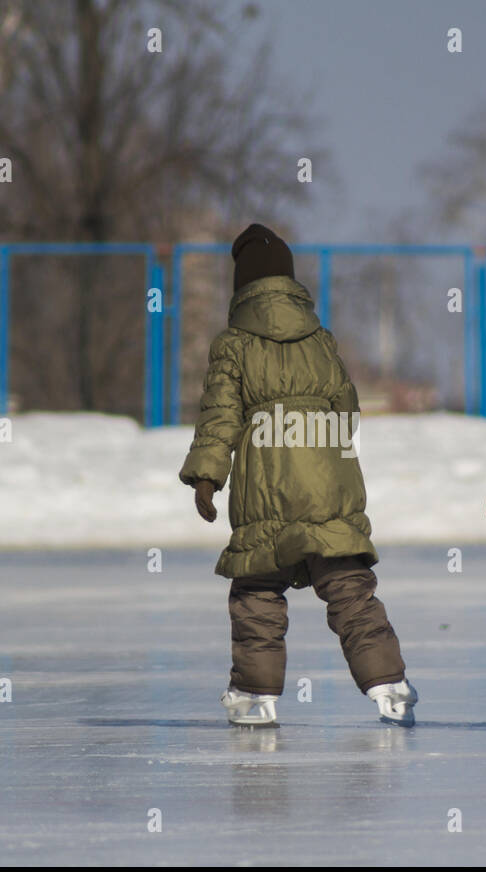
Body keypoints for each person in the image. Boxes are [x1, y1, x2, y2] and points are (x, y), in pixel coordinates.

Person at [179, 223, 416, 727]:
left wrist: (207, 476)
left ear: (241, 287)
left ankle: (254, 696)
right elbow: (347, 410)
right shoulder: (321, 340)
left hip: (265, 489)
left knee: (257, 593)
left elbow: (221, 415)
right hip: (328, 483)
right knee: (350, 588)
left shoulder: (233, 344)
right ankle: (390, 685)